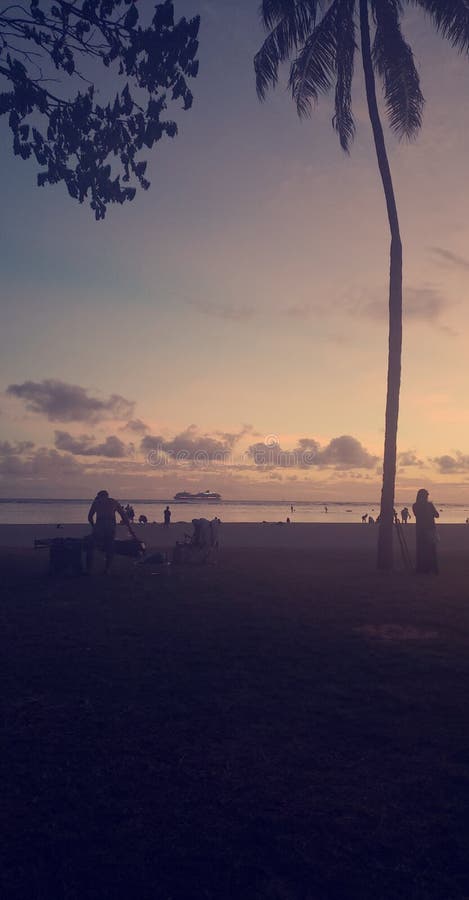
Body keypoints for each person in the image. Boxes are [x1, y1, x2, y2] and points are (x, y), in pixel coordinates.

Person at [86, 490, 130, 574]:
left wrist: (93, 526)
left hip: (100, 526)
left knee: (91, 545)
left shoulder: (96, 502)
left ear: (99, 496)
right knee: (110, 547)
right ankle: (107, 569)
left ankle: (89, 569)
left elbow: (89, 517)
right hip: (110, 526)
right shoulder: (114, 502)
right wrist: (129, 527)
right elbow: (123, 515)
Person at [412, 489, 439, 574]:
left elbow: (418, 515)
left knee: (422, 549)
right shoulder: (428, 505)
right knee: (430, 550)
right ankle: (430, 568)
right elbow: (436, 515)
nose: (427, 497)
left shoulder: (415, 505)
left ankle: (423, 568)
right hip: (429, 529)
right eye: (426, 496)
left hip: (421, 529)